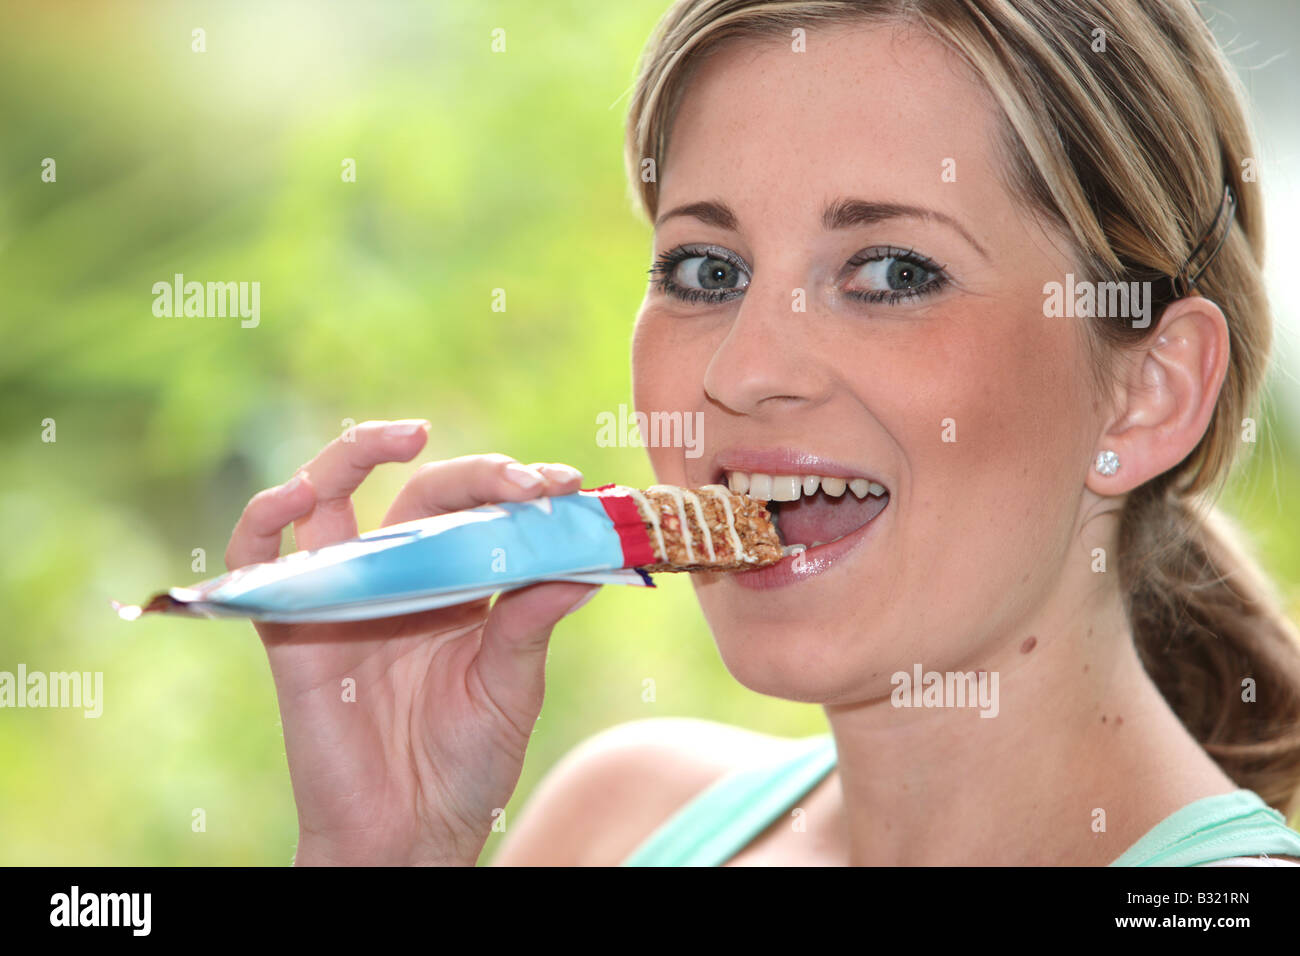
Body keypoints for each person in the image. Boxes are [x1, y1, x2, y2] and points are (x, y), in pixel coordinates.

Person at [225, 0, 1300, 865]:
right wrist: (384, 853)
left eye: (889, 272)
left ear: (1148, 390)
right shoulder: (614, 820)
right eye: (706, 270)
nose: (742, 372)